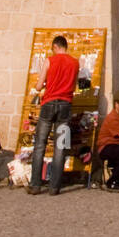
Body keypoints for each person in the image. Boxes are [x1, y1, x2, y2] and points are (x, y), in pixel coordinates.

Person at [28, 35, 80, 196]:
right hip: (66, 105)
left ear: (55, 47)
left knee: (40, 144)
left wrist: (44, 84)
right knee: (61, 146)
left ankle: (35, 185)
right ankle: (54, 187)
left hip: (48, 103)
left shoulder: (49, 61)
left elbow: (38, 86)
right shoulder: (75, 63)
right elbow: (74, 85)